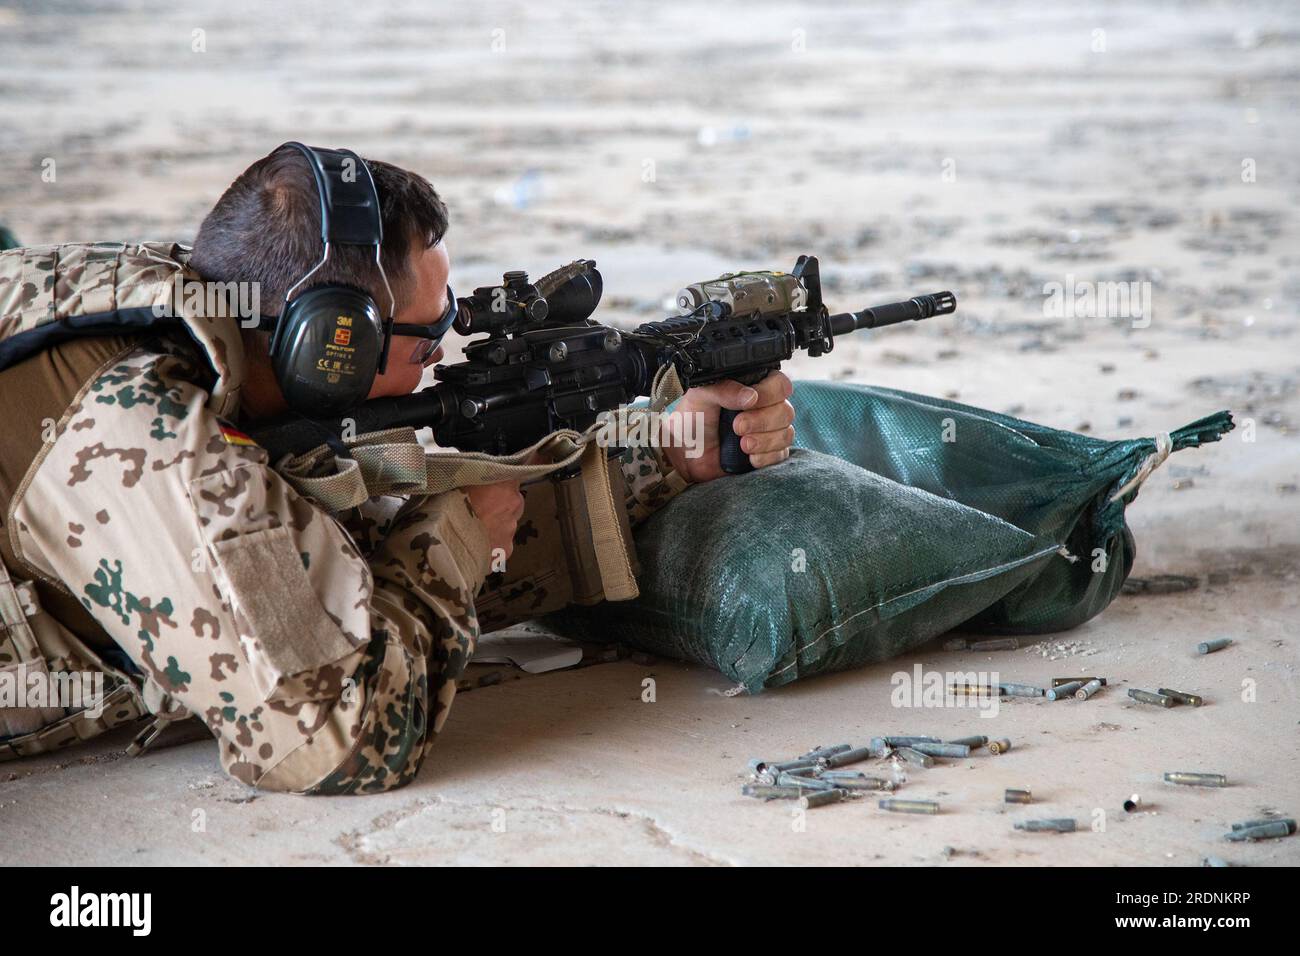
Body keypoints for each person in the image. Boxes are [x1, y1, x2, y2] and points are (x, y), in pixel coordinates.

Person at [0, 144, 795, 793]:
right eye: (427, 334)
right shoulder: (148, 443)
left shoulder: (213, 317)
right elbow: (335, 740)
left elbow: (334, 548)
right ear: (328, 343)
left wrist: (660, 458)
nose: (443, 351)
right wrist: (454, 538)